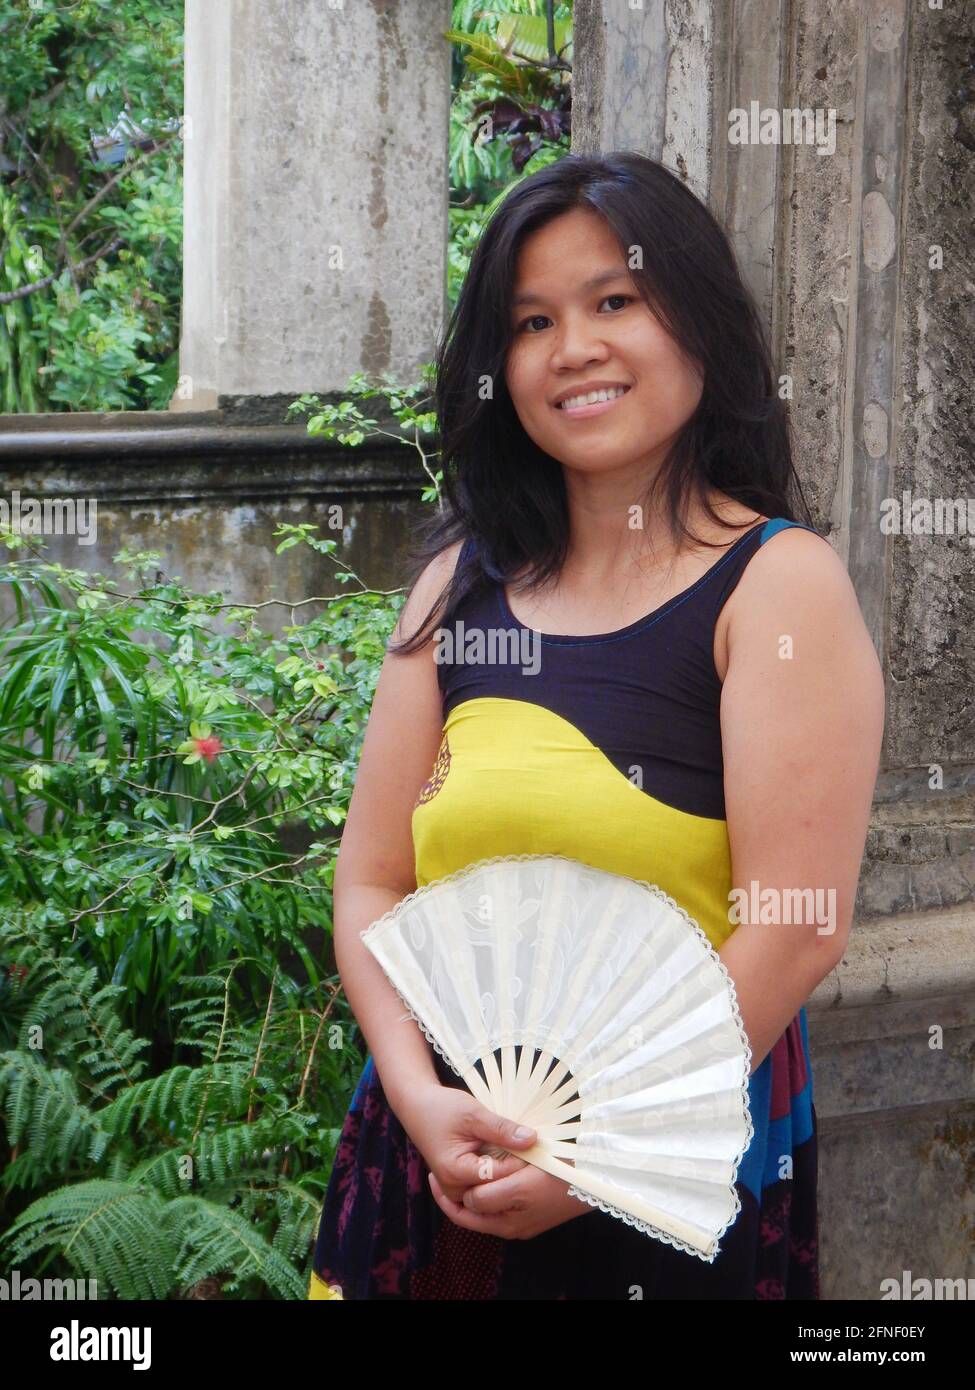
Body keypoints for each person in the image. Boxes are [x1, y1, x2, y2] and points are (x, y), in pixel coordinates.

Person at [307, 151, 884, 1300]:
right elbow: (371, 884)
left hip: (664, 1170)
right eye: (530, 321)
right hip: (435, 1145)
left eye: (613, 300)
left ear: (698, 323)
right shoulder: (457, 585)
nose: (572, 348)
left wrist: (596, 1154)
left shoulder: (777, 588)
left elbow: (795, 926)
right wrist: (417, 1100)